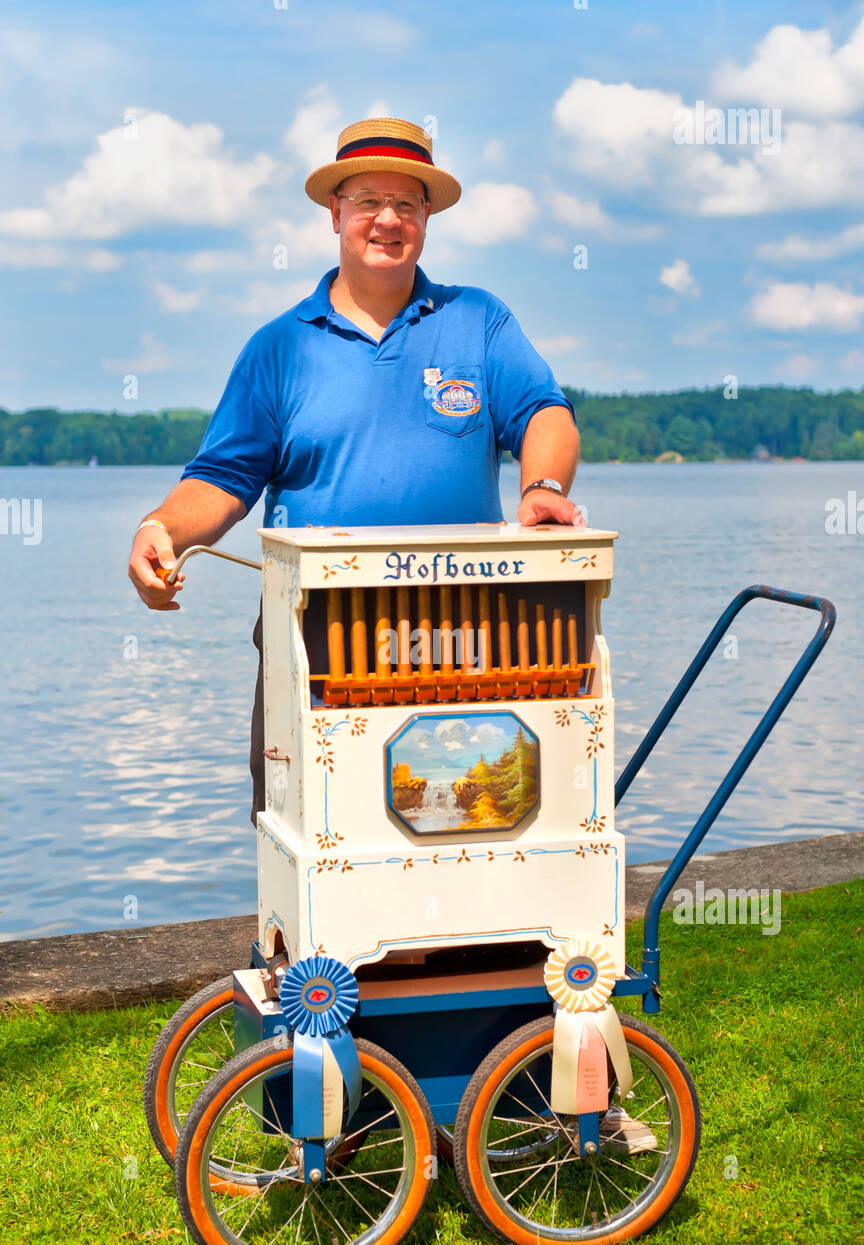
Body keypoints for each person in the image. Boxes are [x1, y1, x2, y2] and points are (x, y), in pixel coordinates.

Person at [128, 116, 585, 824]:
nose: (387, 219)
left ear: (427, 217)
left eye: (407, 204)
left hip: (466, 634)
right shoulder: (278, 348)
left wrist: (543, 489)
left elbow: (544, 413)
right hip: (316, 638)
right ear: (335, 212)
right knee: (315, 838)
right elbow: (222, 478)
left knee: (472, 822)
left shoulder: (479, 320)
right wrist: (163, 528)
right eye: (369, 200)